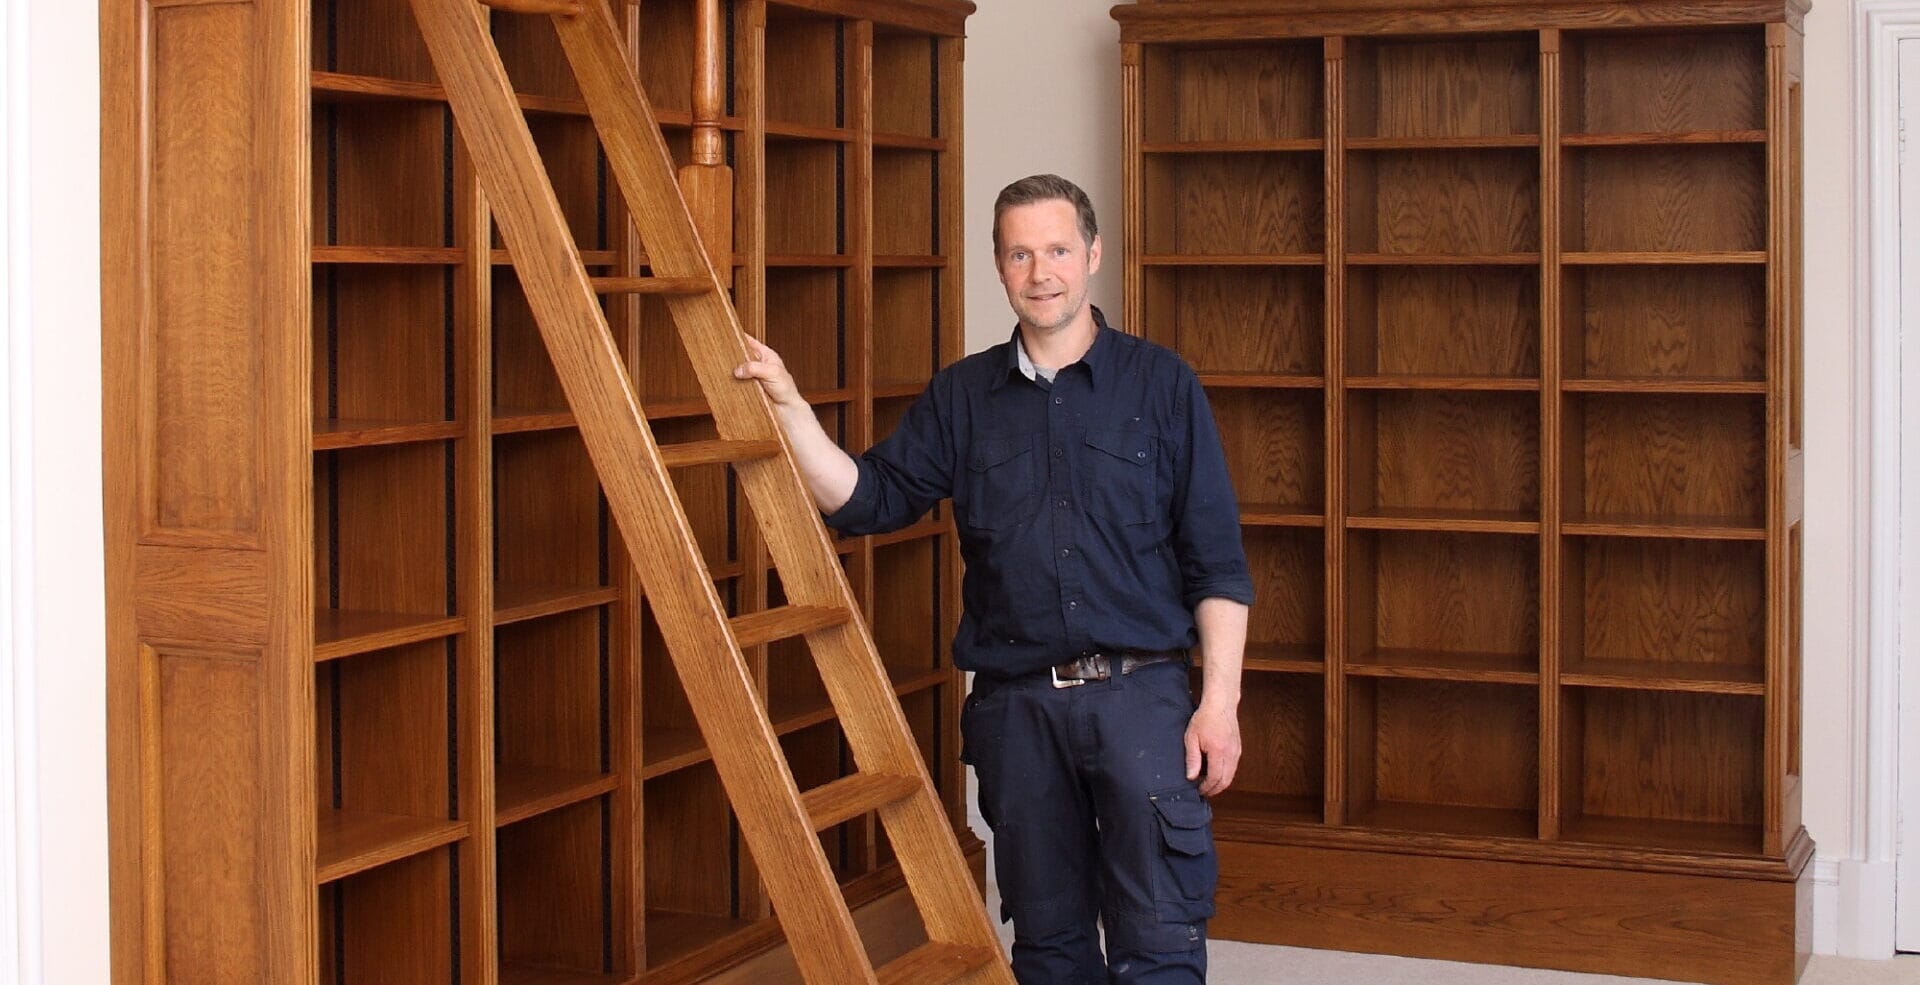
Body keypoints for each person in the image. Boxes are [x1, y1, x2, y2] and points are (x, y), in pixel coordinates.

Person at [734, 174, 1252, 985]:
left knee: (1159, 945)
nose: (1041, 273)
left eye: (1057, 250)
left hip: (1141, 702)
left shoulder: (1162, 384)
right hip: (1017, 711)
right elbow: (869, 498)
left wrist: (1218, 703)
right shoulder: (962, 395)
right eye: (1020, 254)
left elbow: (1216, 561)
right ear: (999, 265)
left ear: (1093, 255)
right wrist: (792, 407)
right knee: (1048, 951)